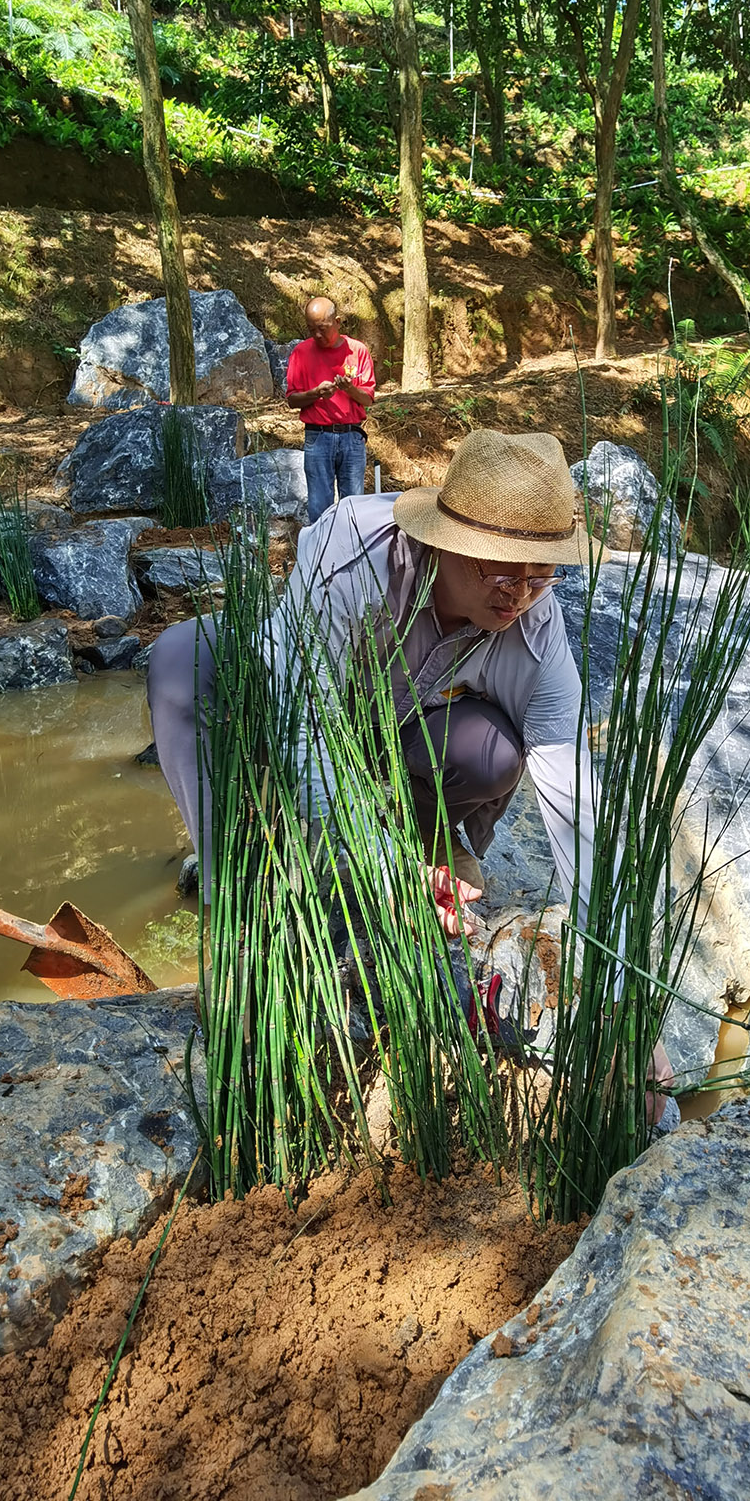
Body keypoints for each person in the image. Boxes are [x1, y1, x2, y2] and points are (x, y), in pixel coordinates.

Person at [146, 428, 673, 1114]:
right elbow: (303, 721)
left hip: (410, 733)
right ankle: (231, 899)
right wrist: (378, 860)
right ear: (447, 540)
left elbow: (578, 805)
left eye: (542, 572)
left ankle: (441, 850)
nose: (521, 594)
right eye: (501, 570)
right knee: (180, 658)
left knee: (495, 750)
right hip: (306, 703)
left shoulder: (538, 630)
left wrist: (624, 997)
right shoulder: (352, 552)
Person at [286, 295, 376, 522]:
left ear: (337, 321)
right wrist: (315, 393)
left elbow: (368, 399)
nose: (317, 334)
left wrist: (350, 389)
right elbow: (292, 400)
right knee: (319, 507)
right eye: (311, 329)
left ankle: (352, 553)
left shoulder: (357, 351)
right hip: (317, 436)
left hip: (352, 436)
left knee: (354, 506)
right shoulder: (301, 353)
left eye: (322, 328)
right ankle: (320, 555)